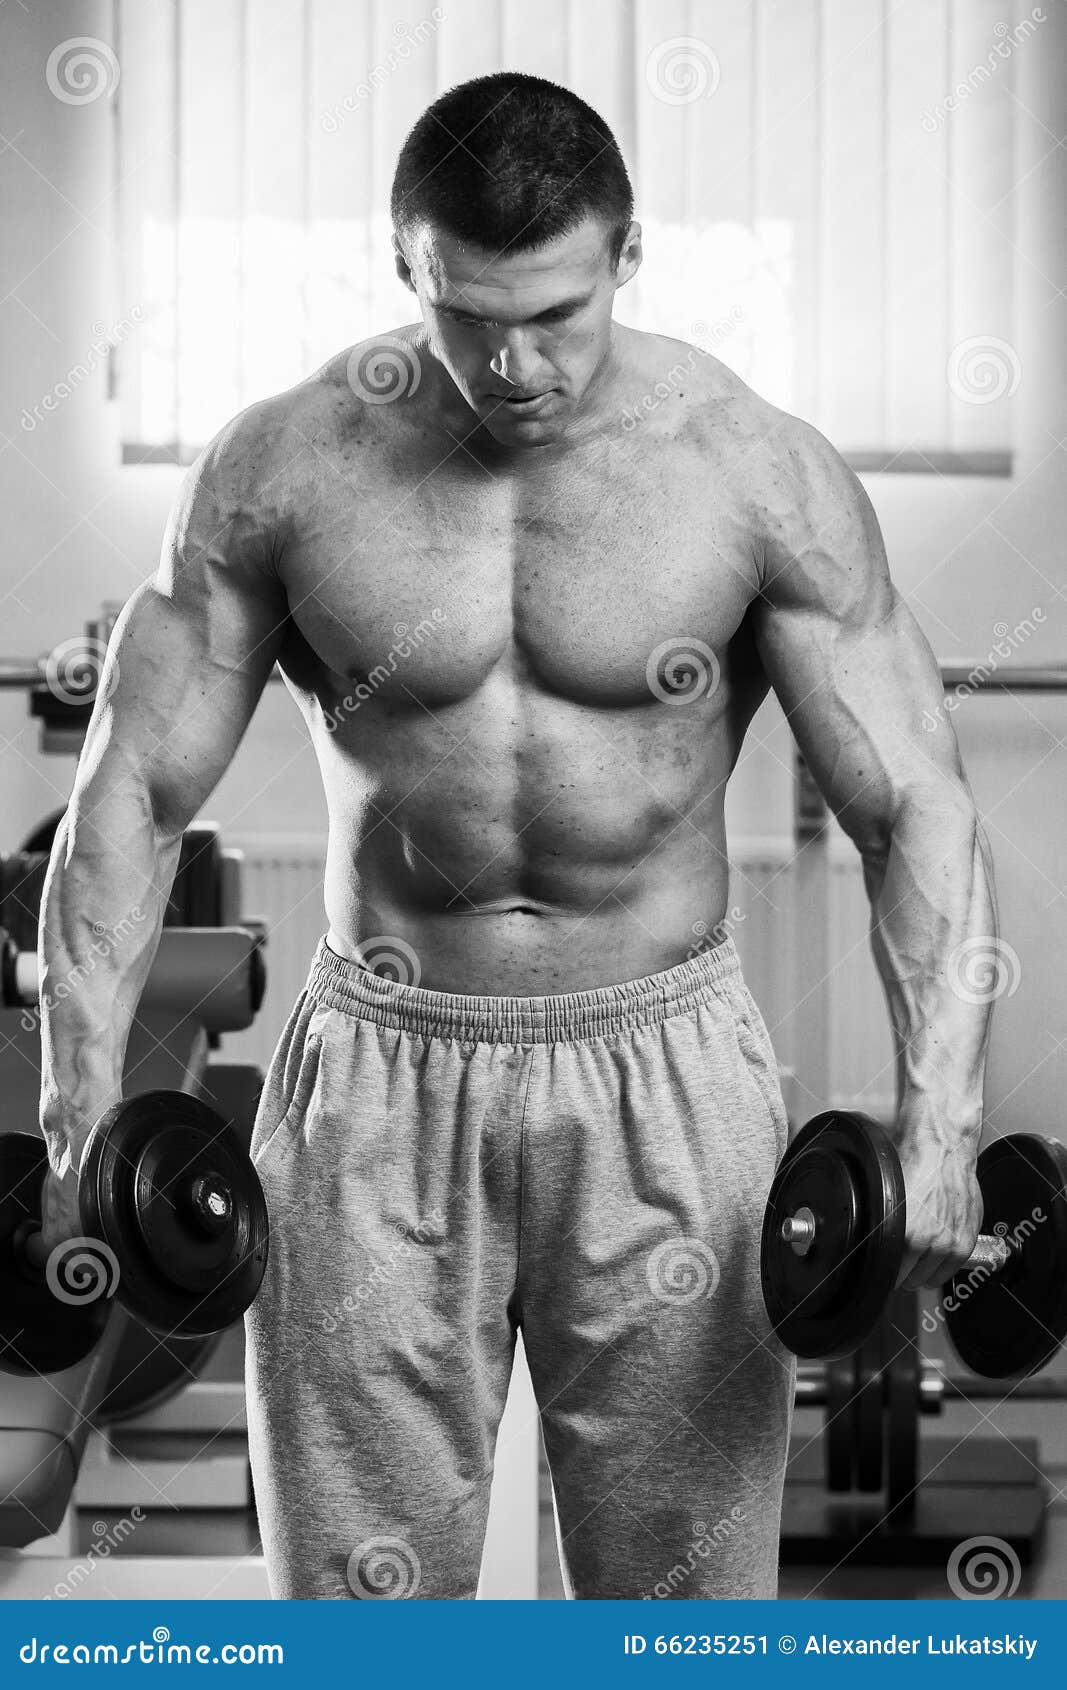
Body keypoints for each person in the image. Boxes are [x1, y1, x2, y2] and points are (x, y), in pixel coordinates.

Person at [34, 72, 996, 1600]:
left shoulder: (751, 470)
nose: (515, 363)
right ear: (404, 264)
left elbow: (911, 803)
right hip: (378, 1083)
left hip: (666, 1079)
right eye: (469, 316)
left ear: (629, 254)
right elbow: (133, 792)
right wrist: (77, 1110)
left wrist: (941, 1125)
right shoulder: (284, 472)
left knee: (680, 1621)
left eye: (556, 312)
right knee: (364, 1619)